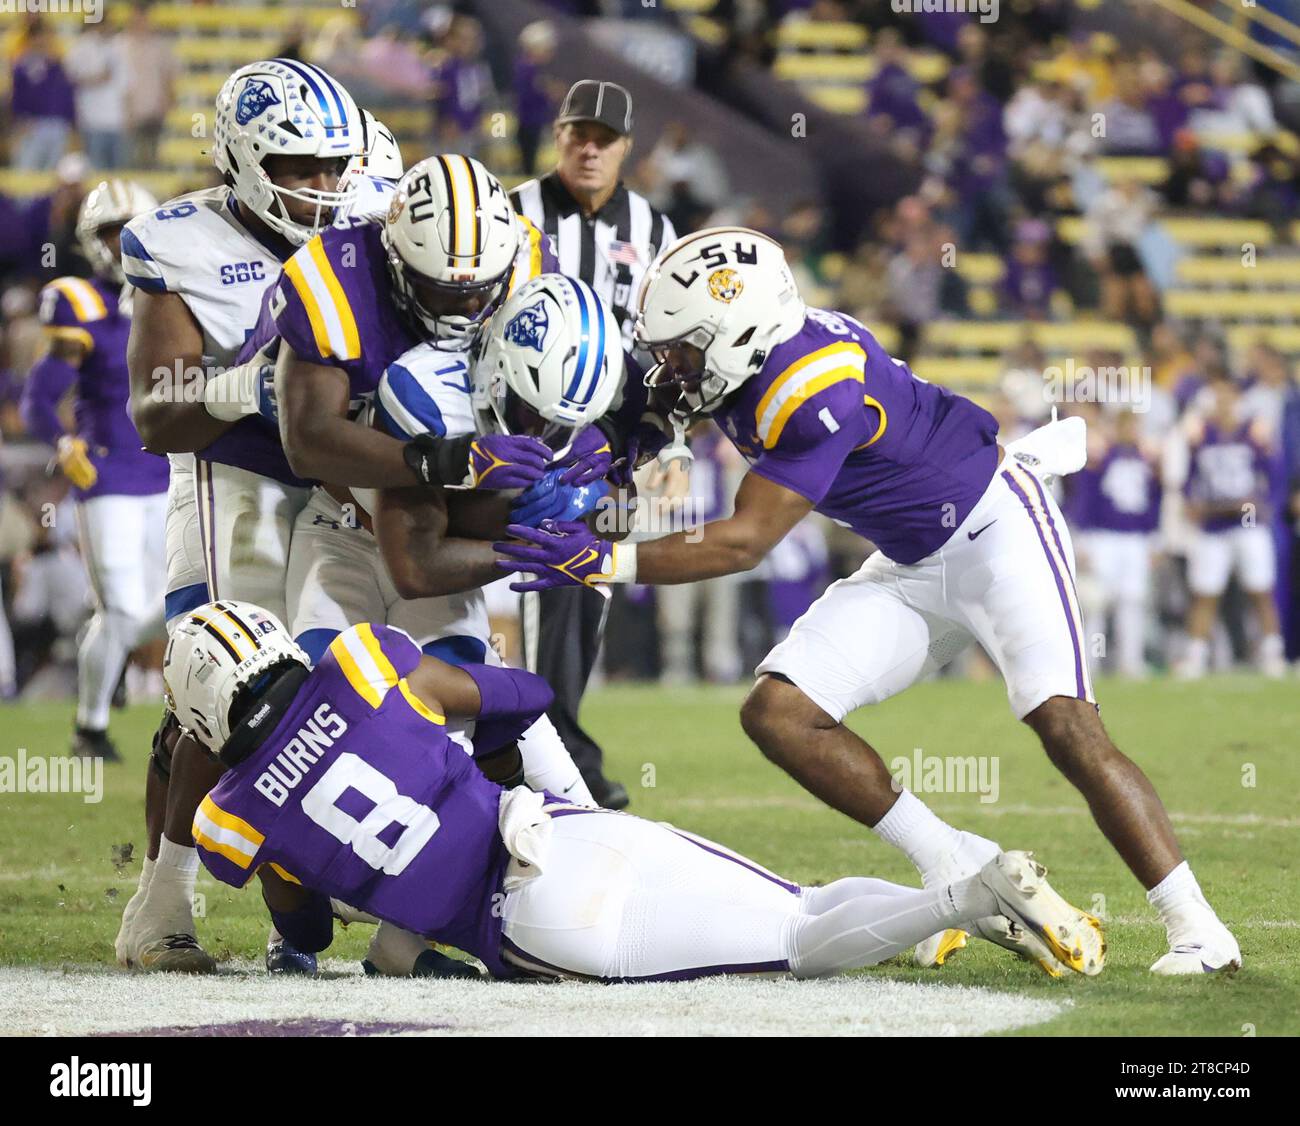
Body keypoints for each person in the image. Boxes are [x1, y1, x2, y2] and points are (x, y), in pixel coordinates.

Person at [496, 226, 1241, 976]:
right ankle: (951, 859)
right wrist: (631, 448)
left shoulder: (812, 385)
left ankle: (1200, 929)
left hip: (996, 527)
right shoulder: (736, 355)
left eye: (685, 350)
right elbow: (653, 406)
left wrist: (603, 559)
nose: (672, 366)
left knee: (1066, 724)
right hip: (915, 558)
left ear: (737, 335)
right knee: (780, 713)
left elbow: (743, 542)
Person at [170, 599, 1106, 983]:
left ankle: (961, 898)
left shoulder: (228, 816)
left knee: (791, 947)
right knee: (802, 908)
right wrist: (461, 742)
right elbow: (524, 696)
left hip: (533, 924)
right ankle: (965, 894)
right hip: (568, 831)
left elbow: (298, 934)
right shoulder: (369, 662)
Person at [115, 58, 372, 975]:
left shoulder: (374, 209)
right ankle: (164, 900)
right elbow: (155, 415)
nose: (327, 187)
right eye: (302, 166)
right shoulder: (179, 239)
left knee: (349, 687)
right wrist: (252, 384)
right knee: (223, 684)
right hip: (239, 478)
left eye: (337, 165)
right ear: (244, 156)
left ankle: (301, 900)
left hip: (346, 481)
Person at [509, 79, 677, 809]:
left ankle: (554, 743)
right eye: (578, 132)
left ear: (625, 148)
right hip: (520, 428)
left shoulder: (655, 229)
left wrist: (668, 444)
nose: (589, 147)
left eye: (604, 138)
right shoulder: (511, 211)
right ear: (559, 135)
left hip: (614, 441)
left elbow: (670, 347)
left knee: (589, 584)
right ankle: (550, 748)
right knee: (547, 588)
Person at [20, 179, 169, 761]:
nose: (123, 242)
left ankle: (159, 710)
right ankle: (91, 725)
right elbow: (38, 398)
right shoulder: (80, 302)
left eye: (133, 228)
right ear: (91, 240)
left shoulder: (175, 299)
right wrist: (63, 443)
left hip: (173, 477)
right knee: (125, 611)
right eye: (113, 231)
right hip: (108, 478)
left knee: (181, 606)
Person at [1176, 377, 1285, 679]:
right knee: (1205, 591)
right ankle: (1195, 656)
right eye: (1217, 397)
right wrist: (1190, 502)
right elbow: (1189, 478)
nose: (1222, 403)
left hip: (1247, 521)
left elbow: (1274, 475)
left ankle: (1272, 652)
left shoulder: (1253, 431)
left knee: (1260, 588)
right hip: (1213, 522)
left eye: (1227, 396)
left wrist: (1265, 504)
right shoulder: (1202, 434)